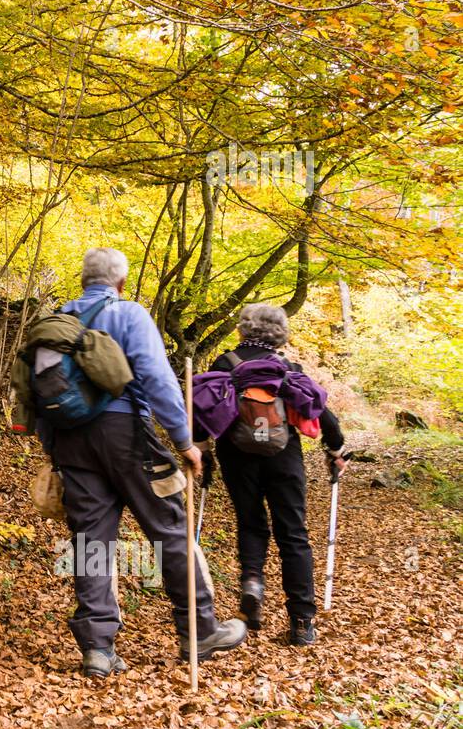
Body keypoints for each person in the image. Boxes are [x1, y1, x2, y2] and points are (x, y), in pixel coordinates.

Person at [37, 247, 247, 677]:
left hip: (71, 442)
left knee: (90, 541)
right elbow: (156, 376)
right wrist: (184, 440)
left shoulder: (55, 322)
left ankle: (97, 648)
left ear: (82, 280)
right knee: (168, 526)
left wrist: (54, 448)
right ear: (121, 283)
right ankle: (200, 629)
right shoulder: (129, 314)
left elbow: (37, 393)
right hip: (126, 435)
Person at [201, 303, 347, 646]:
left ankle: (252, 585)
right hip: (284, 455)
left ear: (243, 329)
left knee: (251, 523)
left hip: (237, 454)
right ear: (280, 333)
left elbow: (203, 405)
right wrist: (335, 450)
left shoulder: (226, 365)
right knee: (292, 532)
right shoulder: (286, 368)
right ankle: (301, 622)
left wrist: (201, 450)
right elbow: (323, 413)